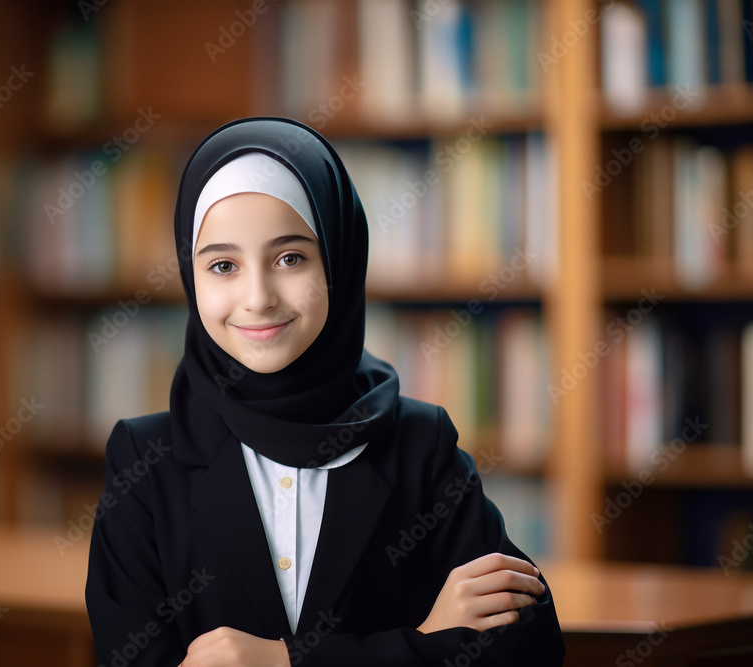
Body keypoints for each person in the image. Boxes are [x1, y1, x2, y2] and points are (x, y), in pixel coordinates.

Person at [85, 117, 565, 667]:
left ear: (338, 259)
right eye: (222, 265)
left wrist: (283, 662)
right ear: (190, 279)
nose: (258, 296)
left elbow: (529, 646)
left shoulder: (418, 444)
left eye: (290, 258)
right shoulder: (145, 461)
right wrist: (422, 641)